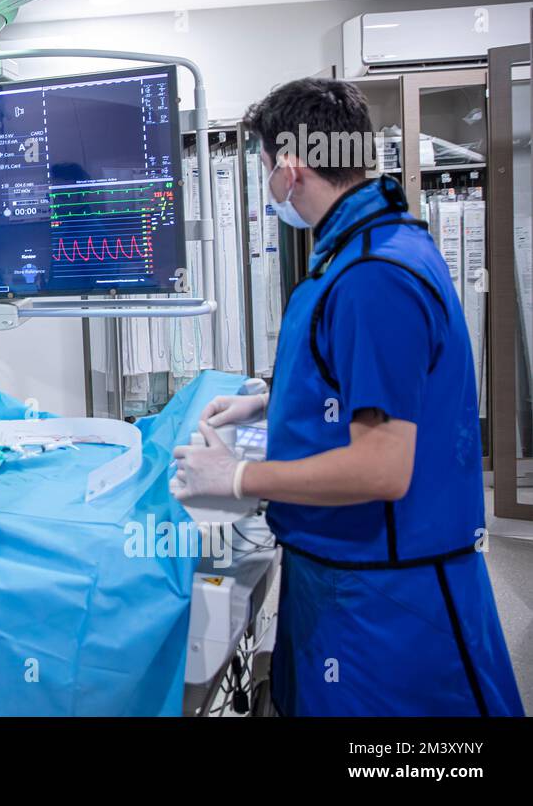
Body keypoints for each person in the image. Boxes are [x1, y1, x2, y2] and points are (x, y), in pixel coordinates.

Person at [173, 78, 523, 716]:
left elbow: (381, 468)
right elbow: (368, 379)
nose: (267, 186)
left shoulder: (371, 278)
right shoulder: (377, 245)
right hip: (357, 572)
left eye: (264, 168)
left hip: (385, 601)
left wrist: (238, 475)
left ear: (290, 166)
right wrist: (274, 402)